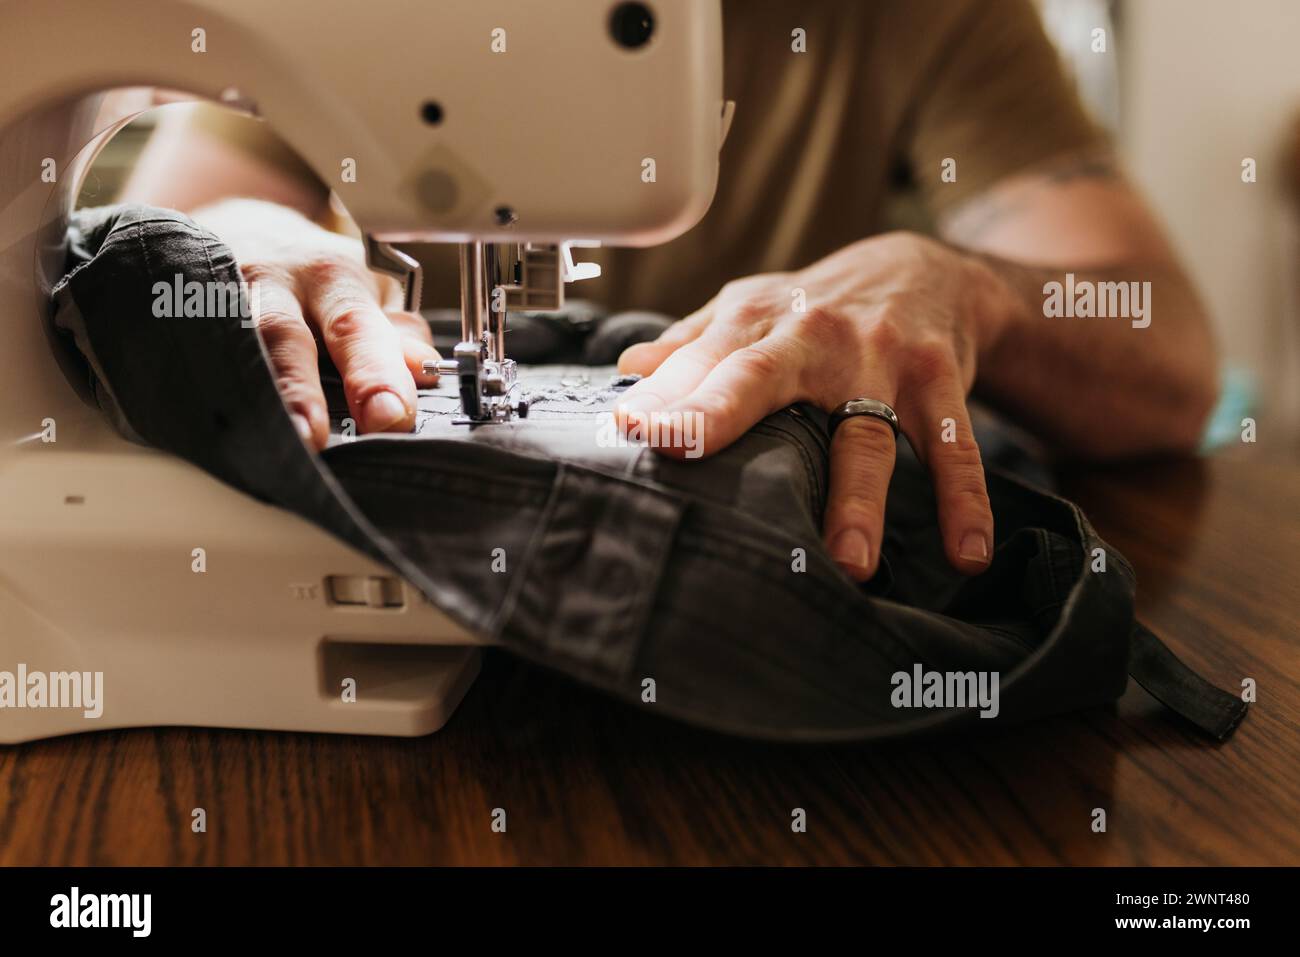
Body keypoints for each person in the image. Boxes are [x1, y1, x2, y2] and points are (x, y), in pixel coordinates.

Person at [115, 0, 1218, 584]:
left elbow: (1169, 361)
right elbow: (196, 222)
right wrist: (234, 238)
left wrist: (964, 288)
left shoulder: (921, 12)